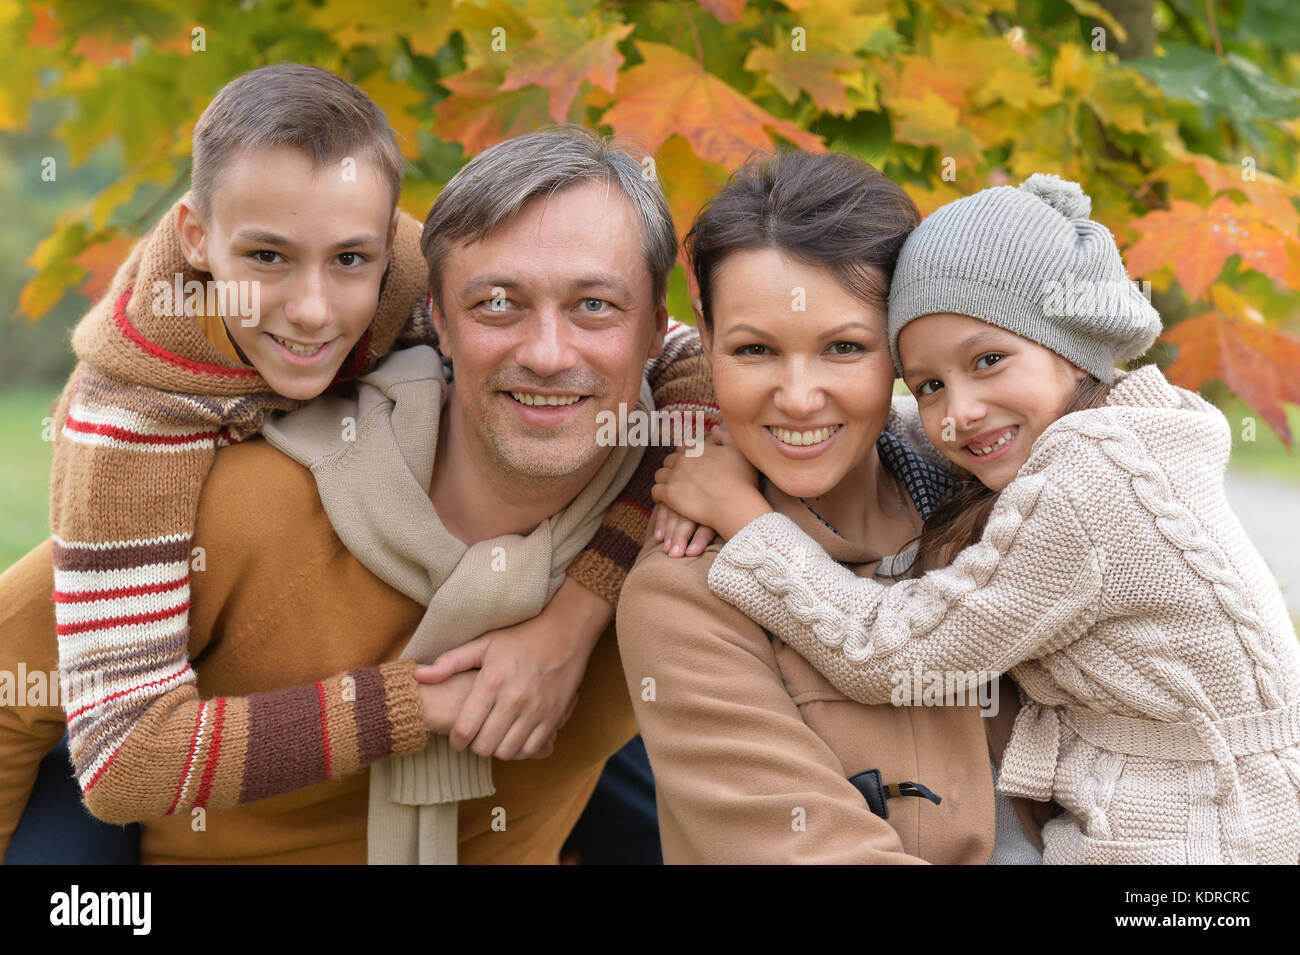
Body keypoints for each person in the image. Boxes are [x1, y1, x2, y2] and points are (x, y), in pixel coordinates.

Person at [0, 122, 715, 864]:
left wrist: (578, 614)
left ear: (656, 330)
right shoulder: (236, 507)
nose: (546, 353)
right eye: (497, 303)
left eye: (595, 305)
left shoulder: (690, 525)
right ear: (435, 317)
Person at [656, 173, 1300, 864]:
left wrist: (742, 515)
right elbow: (897, 430)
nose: (957, 412)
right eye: (929, 384)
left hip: (1200, 843)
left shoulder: (1084, 490)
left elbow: (890, 654)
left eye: (988, 360)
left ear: (1071, 346)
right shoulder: (1127, 429)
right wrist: (762, 430)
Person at [616, 150, 1056, 864]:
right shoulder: (684, 597)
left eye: (844, 347)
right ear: (706, 338)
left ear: (901, 344)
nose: (797, 396)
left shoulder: (994, 494)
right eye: (755, 349)